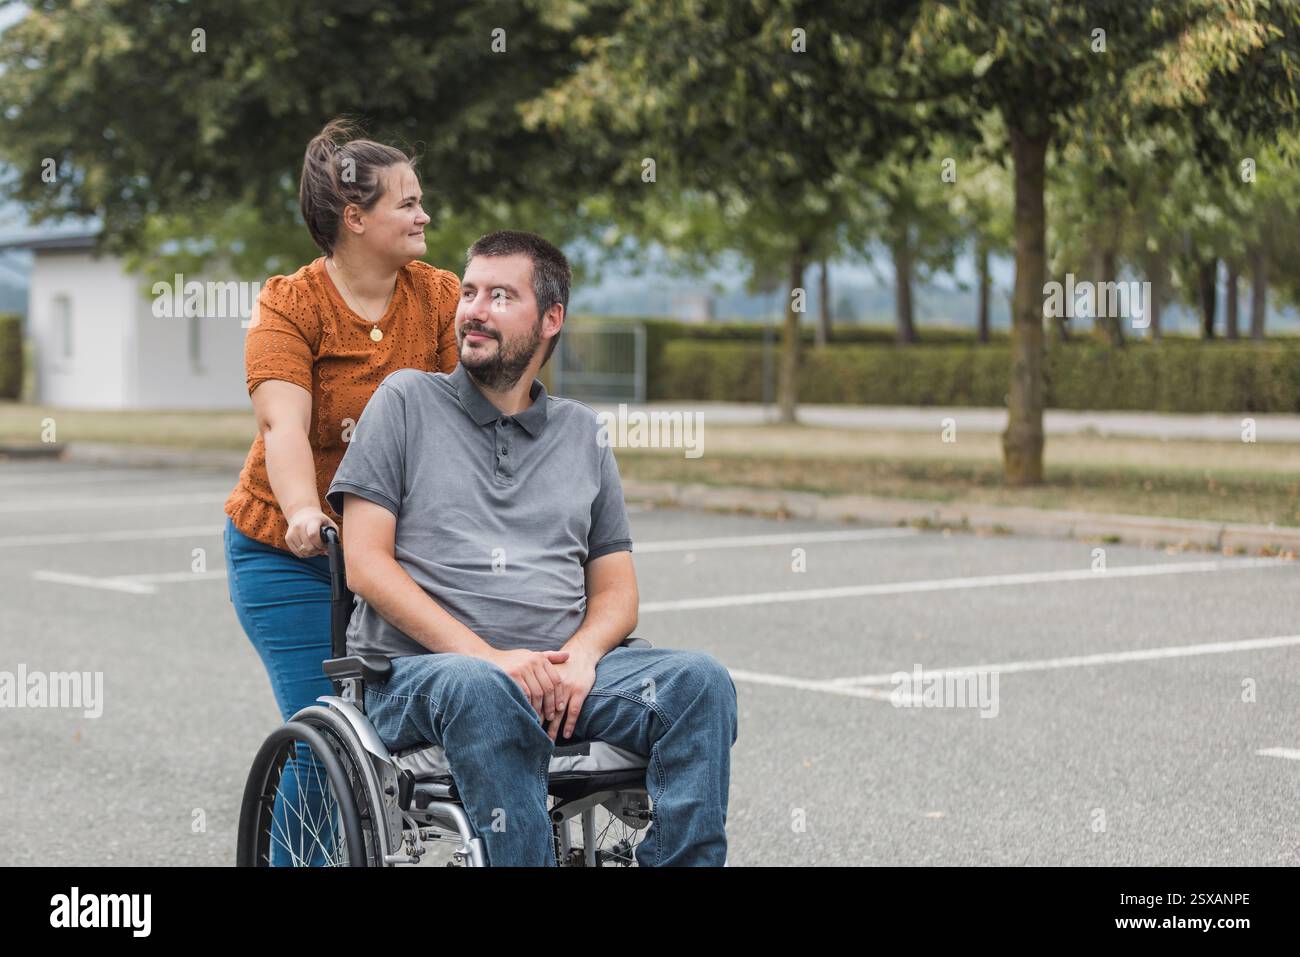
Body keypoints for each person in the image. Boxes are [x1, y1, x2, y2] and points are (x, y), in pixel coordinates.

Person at [326, 230, 739, 866]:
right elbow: (366, 565)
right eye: (468, 292)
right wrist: (492, 659)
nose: (474, 310)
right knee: (481, 689)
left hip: (560, 675)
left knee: (700, 683)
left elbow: (617, 593)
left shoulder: (582, 434)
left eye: (500, 295)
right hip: (422, 675)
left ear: (551, 320)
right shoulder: (404, 402)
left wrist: (580, 657)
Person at [223, 118, 459, 865]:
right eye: (409, 204)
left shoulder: (440, 296)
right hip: (291, 556)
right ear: (355, 220)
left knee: (407, 733)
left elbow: (468, 417)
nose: (425, 216)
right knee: (328, 735)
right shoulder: (290, 304)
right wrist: (301, 508)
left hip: (396, 552)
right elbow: (283, 424)